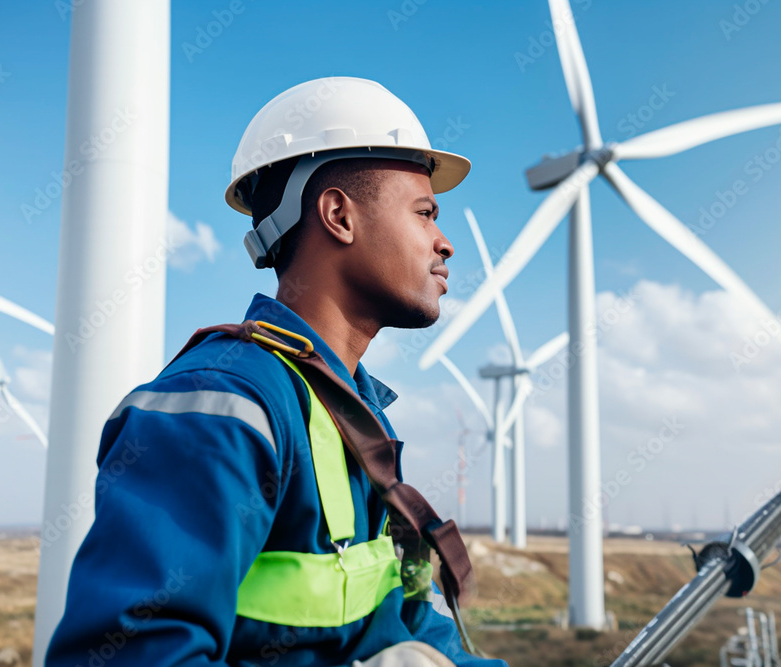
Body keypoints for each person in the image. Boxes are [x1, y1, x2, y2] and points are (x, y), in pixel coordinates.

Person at [46, 77, 508, 667]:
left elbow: (406, 624)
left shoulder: (350, 415)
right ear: (338, 215)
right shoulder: (223, 406)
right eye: (424, 213)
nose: (445, 243)